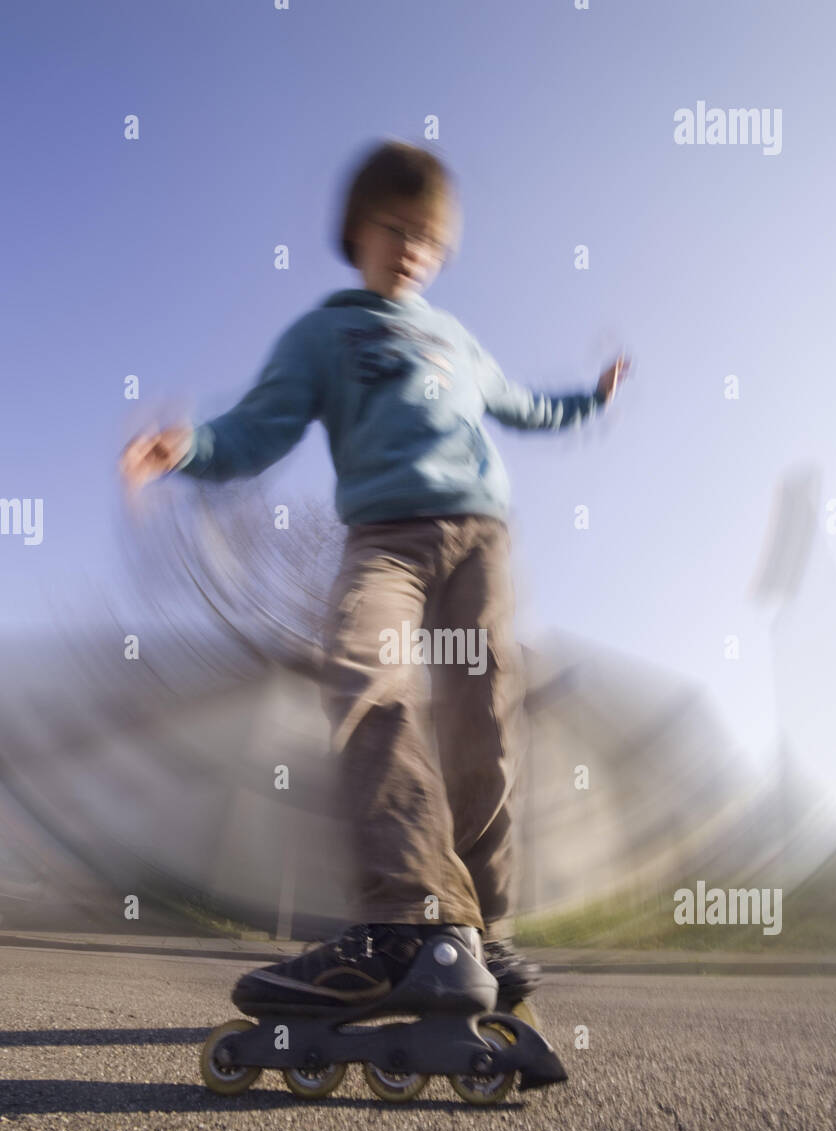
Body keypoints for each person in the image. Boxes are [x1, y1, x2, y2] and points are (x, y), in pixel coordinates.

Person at [119, 138, 629, 1018]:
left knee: (483, 717)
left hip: (479, 541)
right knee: (364, 677)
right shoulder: (325, 332)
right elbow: (260, 427)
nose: (415, 250)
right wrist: (190, 447)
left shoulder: (457, 340)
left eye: (431, 238)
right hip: (383, 542)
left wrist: (591, 400)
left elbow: (523, 404)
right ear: (356, 231)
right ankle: (408, 919)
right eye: (397, 229)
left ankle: (485, 938)